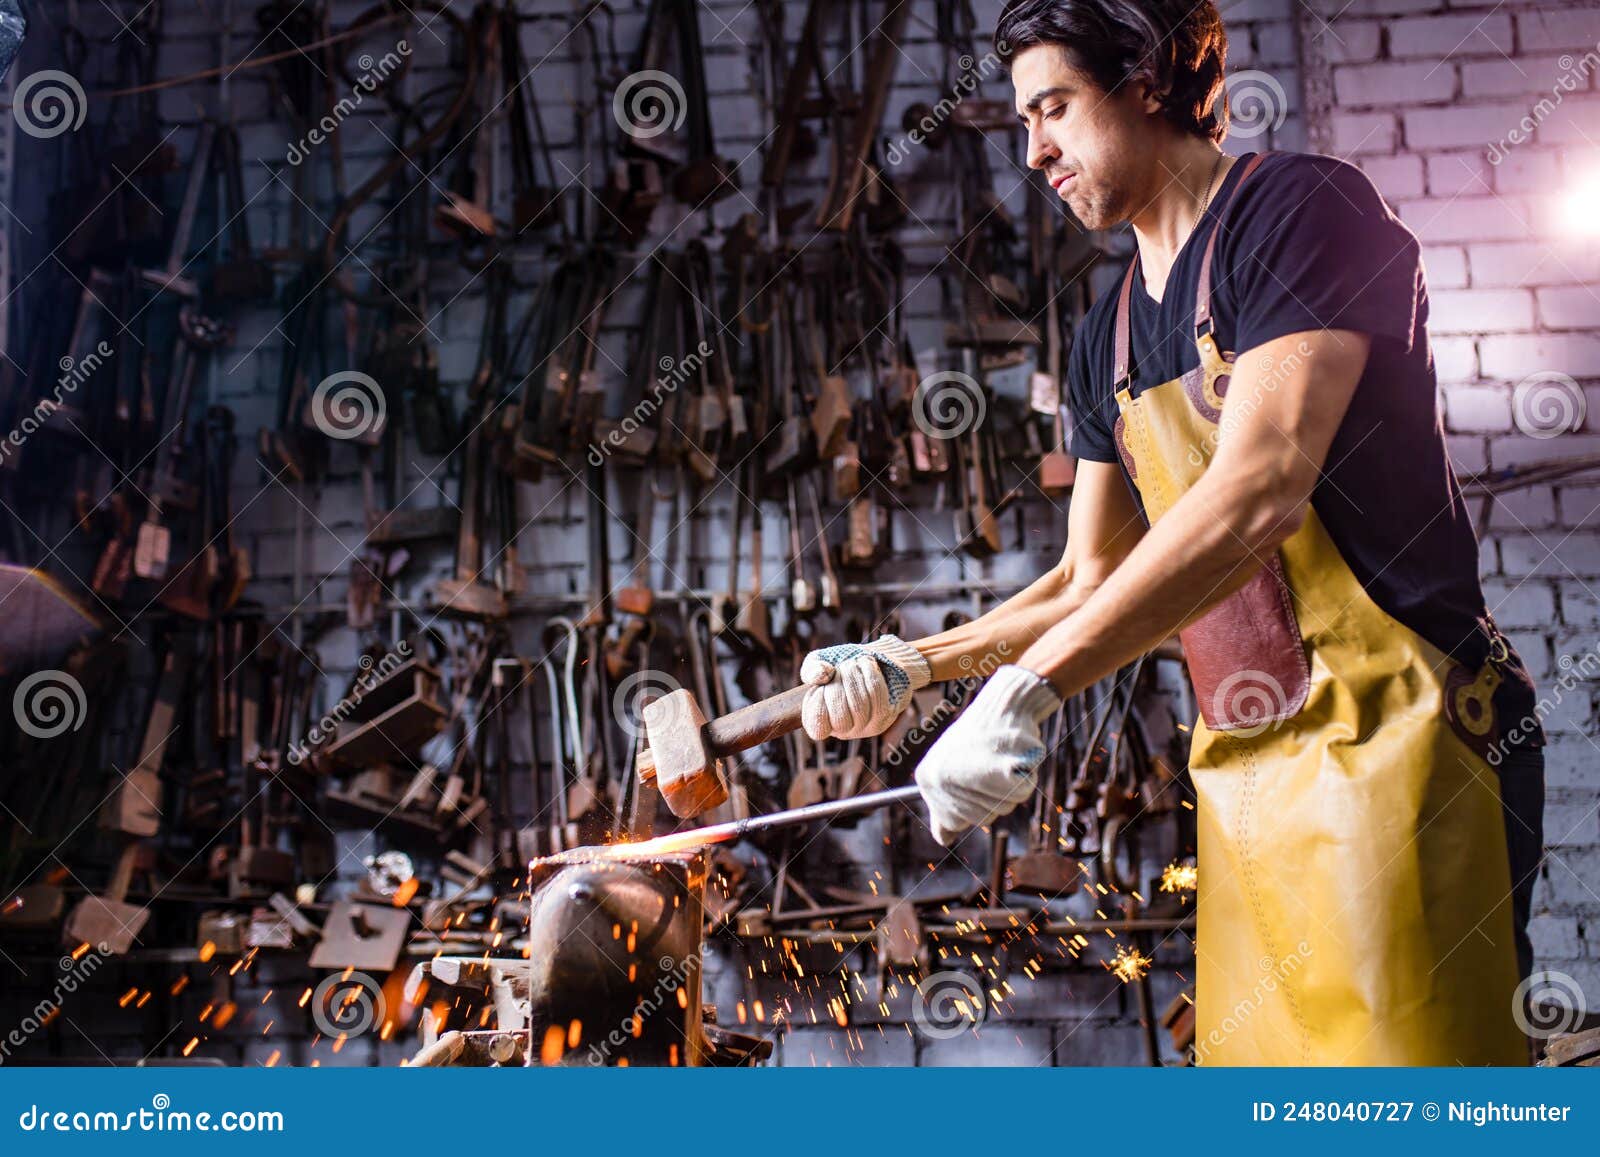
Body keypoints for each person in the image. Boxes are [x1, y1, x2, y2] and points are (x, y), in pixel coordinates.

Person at [798, 0, 1545, 1065]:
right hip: (1246, 772)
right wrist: (914, 665)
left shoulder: (1298, 211)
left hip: (1408, 741)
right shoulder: (1104, 331)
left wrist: (1027, 690)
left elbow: (1258, 490)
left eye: (1052, 107)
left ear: (1144, 78)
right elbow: (1083, 577)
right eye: (1020, 123)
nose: (1034, 151)